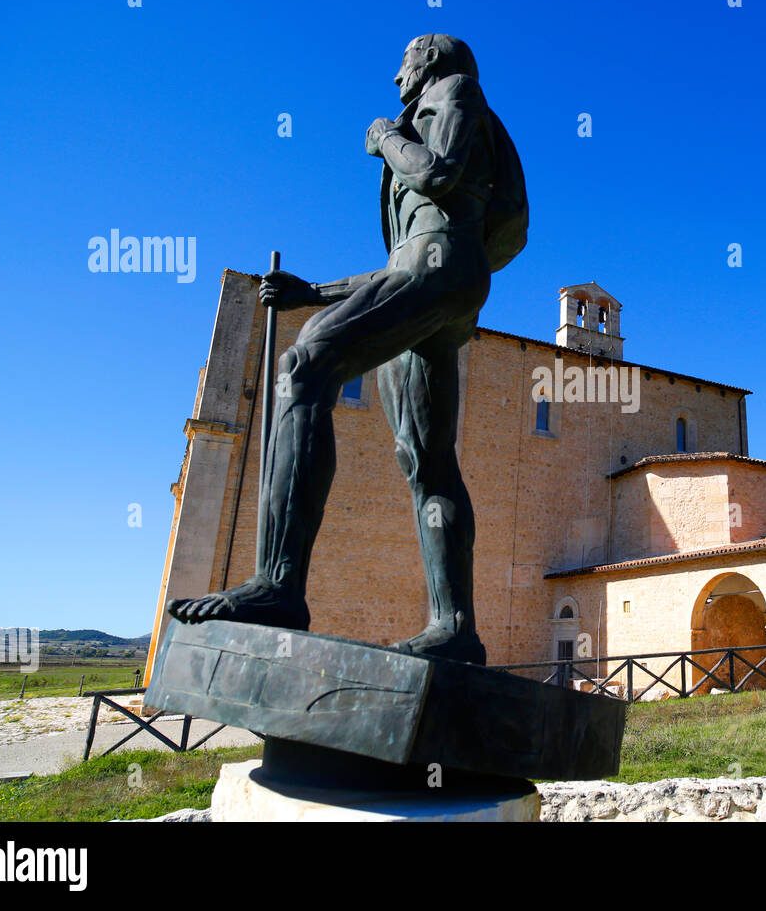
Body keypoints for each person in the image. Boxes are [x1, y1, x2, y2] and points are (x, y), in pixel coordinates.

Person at [168, 35, 523, 666]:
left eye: (406, 62)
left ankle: (279, 586)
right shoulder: (437, 107)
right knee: (427, 461)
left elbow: (436, 177)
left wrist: (386, 136)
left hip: (441, 271)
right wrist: (314, 291)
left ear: (433, 61)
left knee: (303, 366)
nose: (396, 76)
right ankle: (455, 630)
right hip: (438, 274)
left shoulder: (454, 92)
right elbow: (400, 265)